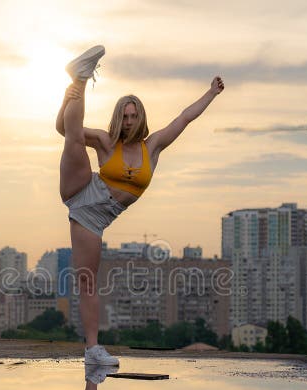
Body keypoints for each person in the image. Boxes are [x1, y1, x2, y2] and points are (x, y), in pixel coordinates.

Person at [56, 45, 224, 367]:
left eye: (134, 116)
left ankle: (93, 351)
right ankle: (79, 79)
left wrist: (211, 93)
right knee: (74, 137)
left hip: (94, 218)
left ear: (141, 117)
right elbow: (64, 130)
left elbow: (184, 118)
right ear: (119, 118)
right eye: (125, 116)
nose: (130, 121)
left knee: (89, 281)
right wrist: (69, 96)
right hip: (81, 188)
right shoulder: (107, 142)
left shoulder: (153, 147)